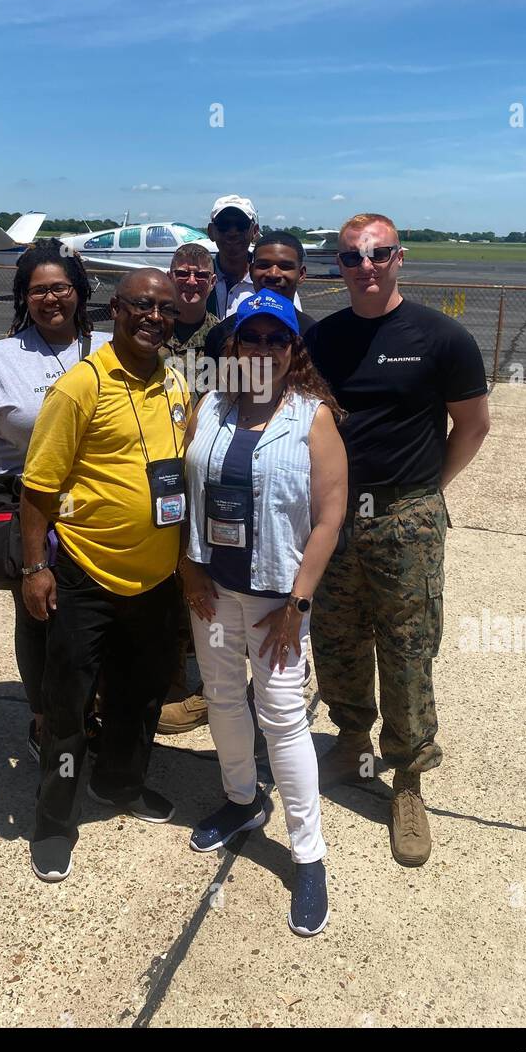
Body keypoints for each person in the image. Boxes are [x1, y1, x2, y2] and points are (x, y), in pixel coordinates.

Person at [305, 214, 490, 869]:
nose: (366, 266)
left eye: (378, 253)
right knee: (335, 638)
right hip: (331, 519)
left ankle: (407, 776)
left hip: (403, 518)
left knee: (407, 650)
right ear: (338, 265)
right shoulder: (320, 339)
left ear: (398, 258)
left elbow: (472, 425)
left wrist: (422, 492)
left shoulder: (441, 338)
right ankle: (351, 739)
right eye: (352, 257)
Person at [181, 290, 348, 936]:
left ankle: (308, 855)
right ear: (233, 347)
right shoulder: (209, 407)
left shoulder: (312, 418)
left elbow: (330, 519)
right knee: (223, 700)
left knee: (281, 720)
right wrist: (187, 566)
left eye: (275, 339)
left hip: (277, 600)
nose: (261, 349)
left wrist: (296, 604)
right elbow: (184, 492)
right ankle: (241, 800)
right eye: (249, 338)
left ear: (291, 350)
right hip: (212, 591)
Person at [20, 269, 191, 883]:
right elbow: (38, 487)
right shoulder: (80, 386)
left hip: (155, 581)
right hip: (85, 577)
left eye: (166, 309)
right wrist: (37, 567)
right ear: (115, 309)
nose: (154, 317)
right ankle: (54, 819)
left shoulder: (175, 385)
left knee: (140, 698)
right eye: (142, 305)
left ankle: (121, 785)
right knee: (66, 709)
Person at [0, 239, 109, 763]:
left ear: (79, 290)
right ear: (23, 298)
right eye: (38, 291)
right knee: (39, 613)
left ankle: (90, 706)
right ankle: (44, 719)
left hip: (95, 507)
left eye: (60, 287)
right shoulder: (5, 358)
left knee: (91, 615)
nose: (50, 299)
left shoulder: (108, 347)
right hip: (26, 505)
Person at [157, 243, 219, 736]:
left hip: (203, 470)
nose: (190, 281)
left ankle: (207, 682)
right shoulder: (151, 327)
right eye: (182, 273)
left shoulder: (224, 338)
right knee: (162, 571)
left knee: (203, 571)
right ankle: (169, 677)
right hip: (153, 468)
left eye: (200, 274)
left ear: (212, 279)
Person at [203, 231, 314, 366]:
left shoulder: (316, 336)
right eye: (264, 265)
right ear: (251, 271)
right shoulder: (221, 334)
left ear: (301, 274)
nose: (273, 274)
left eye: (285, 266)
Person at [204, 196, 261, 318]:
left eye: (241, 225)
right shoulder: (197, 281)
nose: (232, 232)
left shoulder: (267, 282)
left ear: (255, 231)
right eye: (224, 224)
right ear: (211, 231)